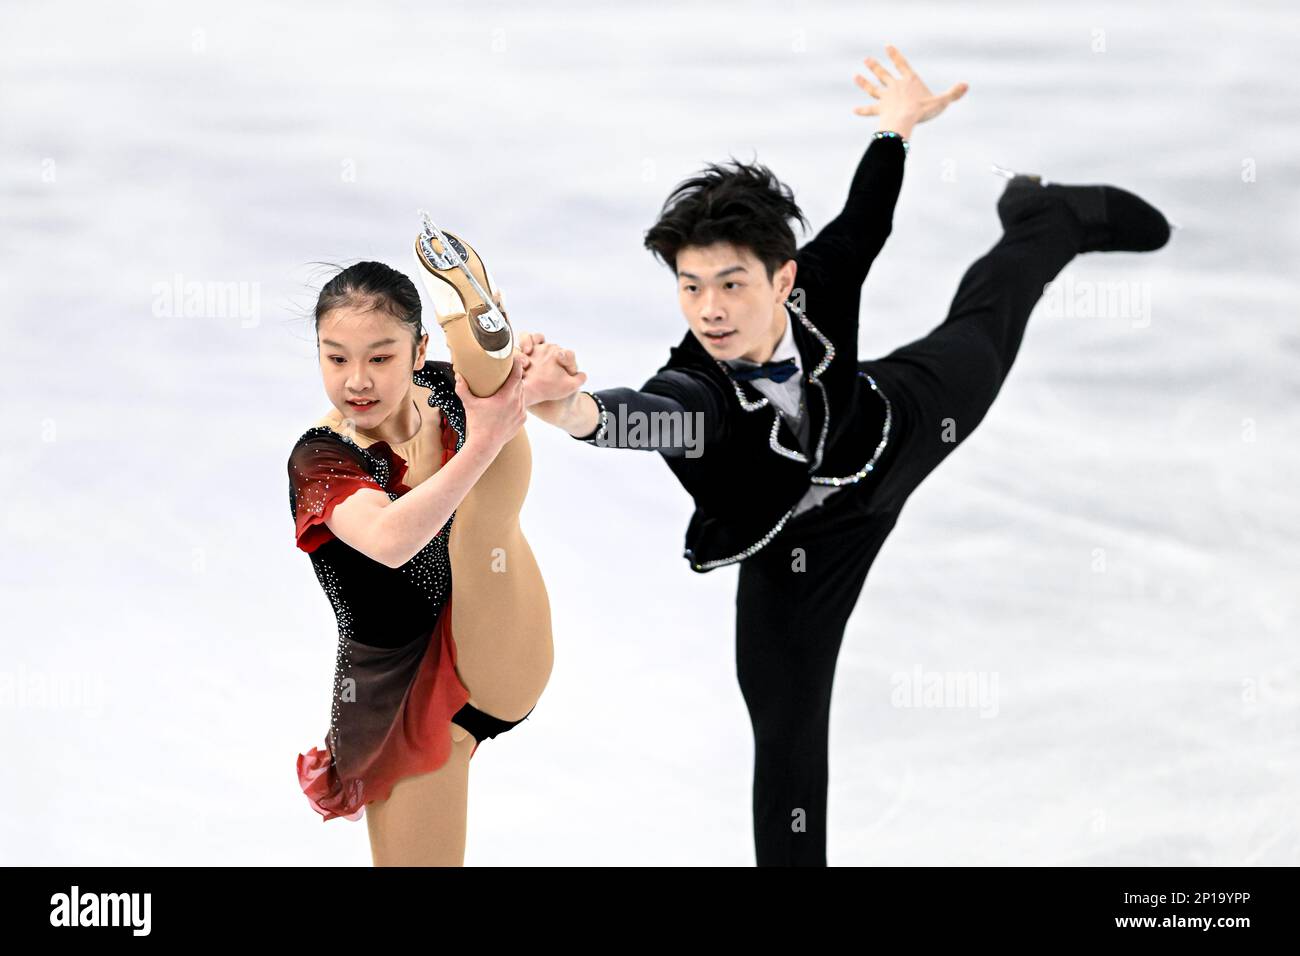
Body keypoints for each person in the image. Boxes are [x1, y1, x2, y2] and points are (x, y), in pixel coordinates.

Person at [521, 45, 1172, 865]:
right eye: (690, 287)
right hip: (797, 552)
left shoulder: (821, 282)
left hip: (892, 433)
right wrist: (569, 410)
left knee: (985, 332)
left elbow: (869, 214)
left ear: (785, 278)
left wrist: (898, 124)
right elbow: (649, 419)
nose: (710, 311)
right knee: (787, 742)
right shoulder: (697, 391)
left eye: (731, 284)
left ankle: (1047, 219)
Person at [287, 234, 571, 864]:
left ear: (418, 352)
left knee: (483, 517)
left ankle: (473, 308)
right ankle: (478, 312)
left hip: (495, 644)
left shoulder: (451, 390)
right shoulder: (321, 459)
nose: (356, 381)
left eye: (380, 358)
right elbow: (391, 541)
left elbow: (536, 411)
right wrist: (484, 439)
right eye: (335, 359)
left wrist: (547, 385)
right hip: (401, 698)